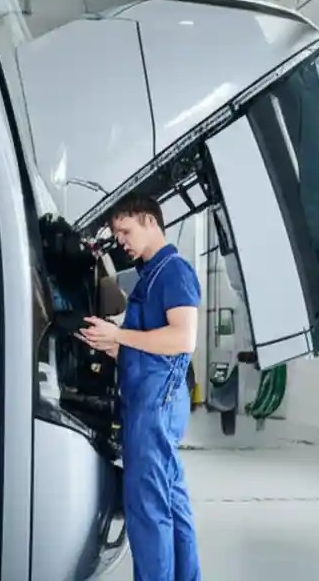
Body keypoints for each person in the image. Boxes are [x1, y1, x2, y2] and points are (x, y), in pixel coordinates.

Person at [79, 193, 201, 581]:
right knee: (171, 500)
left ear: (150, 221)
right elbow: (147, 345)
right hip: (149, 398)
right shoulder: (150, 273)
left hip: (157, 405)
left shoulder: (174, 271)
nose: (122, 241)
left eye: (126, 231)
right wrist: (110, 342)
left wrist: (121, 336)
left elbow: (183, 340)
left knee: (148, 507)